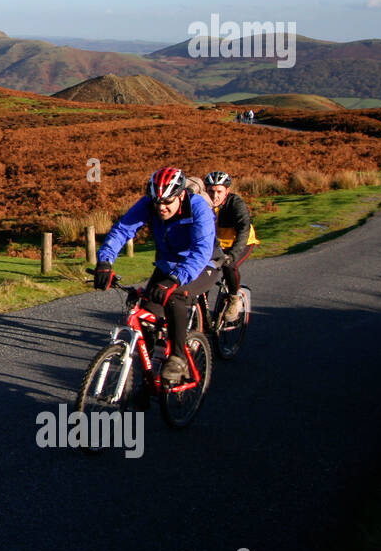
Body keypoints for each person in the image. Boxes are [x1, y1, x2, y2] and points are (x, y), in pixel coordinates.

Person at [93, 167, 218, 390]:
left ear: (181, 195)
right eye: (157, 202)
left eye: (168, 202)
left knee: (175, 295)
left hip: (203, 264)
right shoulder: (150, 204)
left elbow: (201, 250)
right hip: (167, 266)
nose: (161, 207)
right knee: (146, 315)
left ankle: (178, 359)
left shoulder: (198, 208)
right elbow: (122, 230)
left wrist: (176, 279)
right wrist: (104, 262)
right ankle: (146, 379)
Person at [204, 171, 258, 321]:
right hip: (219, 245)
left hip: (241, 243)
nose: (215, 196)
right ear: (205, 189)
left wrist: (233, 254)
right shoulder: (202, 205)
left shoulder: (235, 204)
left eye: (219, 192)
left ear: (227, 191)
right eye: (211, 191)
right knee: (202, 269)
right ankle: (202, 310)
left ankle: (234, 299)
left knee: (229, 266)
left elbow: (244, 229)